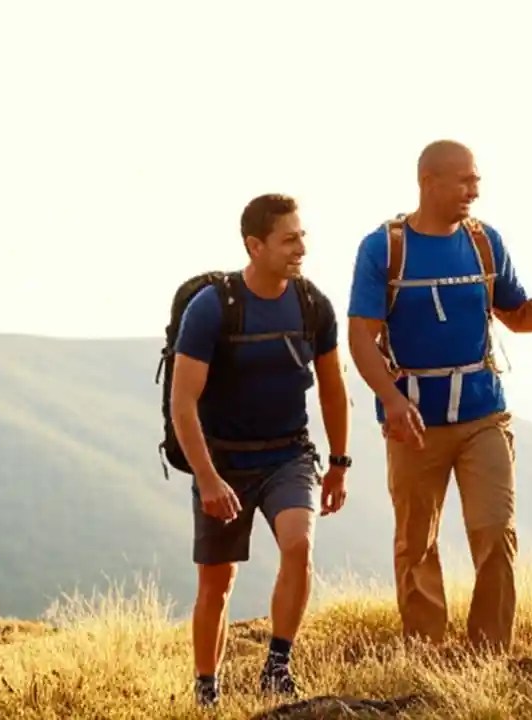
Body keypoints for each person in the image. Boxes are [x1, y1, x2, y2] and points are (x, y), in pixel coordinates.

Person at [346, 139, 532, 651]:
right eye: (465, 180)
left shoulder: (484, 242)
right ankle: (426, 654)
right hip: (414, 422)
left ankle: (488, 655)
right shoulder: (383, 249)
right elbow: (361, 335)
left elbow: (516, 314)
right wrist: (393, 399)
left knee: (496, 531)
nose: (475, 189)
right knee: (416, 543)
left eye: (476, 180)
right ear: (429, 181)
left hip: (483, 414)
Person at [165, 193, 351, 707]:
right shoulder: (213, 309)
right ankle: (207, 688)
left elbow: (334, 389)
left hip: (288, 455)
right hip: (223, 462)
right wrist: (206, 478)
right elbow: (184, 402)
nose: (301, 247)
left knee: (299, 544)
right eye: (289, 238)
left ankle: (277, 666)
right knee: (216, 585)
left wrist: (338, 463)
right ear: (255, 245)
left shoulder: (313, 305)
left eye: (302, 236)